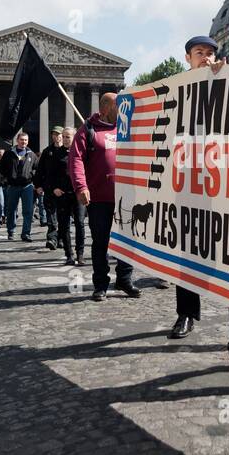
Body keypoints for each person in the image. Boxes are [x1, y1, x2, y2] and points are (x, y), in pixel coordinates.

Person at [167, 36, 229, 353]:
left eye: (211, 53)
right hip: (190, 183)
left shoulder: (228, 85)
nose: (207, 58)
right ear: (187, 58)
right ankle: (186, 314)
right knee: (189, 253)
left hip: (224, 185)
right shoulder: (178, 90)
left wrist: (227, 77)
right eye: (200, 53)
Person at [69, 93, 140, 301]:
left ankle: (124, 279)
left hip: (126, 196)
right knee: (101, 242)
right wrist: (81, 186)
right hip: (99, 199)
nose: (123, 109)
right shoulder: (88, 131)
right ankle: (100, 284)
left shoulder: (126, 129)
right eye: (119, 105)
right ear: (107, 107)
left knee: (127, 241)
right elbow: (76, 160)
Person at [35, 126, 70, 253]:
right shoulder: (47, 151)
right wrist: (38, 185)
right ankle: (52, 239)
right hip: (49, 188)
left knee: (62, 216)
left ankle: (61, 238)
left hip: (63, 189)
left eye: (58, 134)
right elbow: (40, 170)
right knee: (51, 215)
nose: (56, 136)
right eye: (53, 134)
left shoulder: (67, 151)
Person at [0, 132, 38, 241]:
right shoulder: (9, 153)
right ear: (17, 140)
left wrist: (32, 177)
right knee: (11, 210)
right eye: (22, 140)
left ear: (28, 141)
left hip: (27, 186)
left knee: (28, 211)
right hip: (13, 186)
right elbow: (1, 168)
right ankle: (10, 231)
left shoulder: (32, 155)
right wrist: (7, 179)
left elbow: (36, 169)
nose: (23, 142)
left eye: (25, 140)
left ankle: (26, 233)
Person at [55, 126, 85, 265]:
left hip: (78, 193)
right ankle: (69, 255)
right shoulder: (56, 154)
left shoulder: (81, 152)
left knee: (79, 223)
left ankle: (80, 254)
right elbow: (50, 174)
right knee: (64, 225)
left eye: (68, 137)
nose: (65, 139)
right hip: (63, 194)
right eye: (64, 136)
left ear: (74, 137)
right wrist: (54, 188)